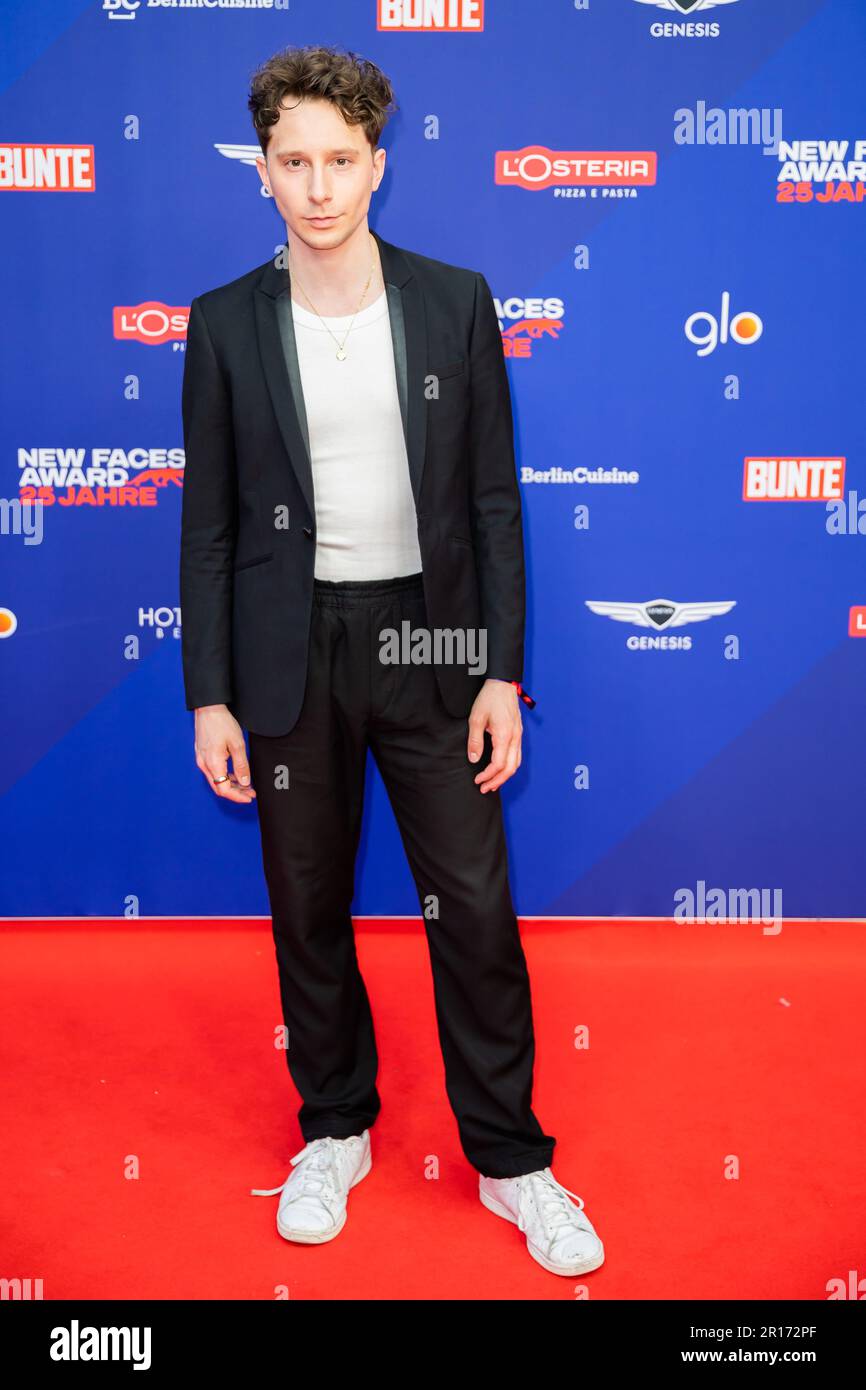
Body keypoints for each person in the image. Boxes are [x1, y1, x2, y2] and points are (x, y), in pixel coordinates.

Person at [179, 43, 604, 1279]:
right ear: (262, 169)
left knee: (470, 905)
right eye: (293, 162)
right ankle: (333, 1129)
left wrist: (495, 672)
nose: (318, 187)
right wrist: (209, 691)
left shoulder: (451, 300)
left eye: (340, 161)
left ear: (378, 163)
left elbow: (491, 503)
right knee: (305, 910)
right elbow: (207, 522)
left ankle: (513, 1159)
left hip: (431, 636)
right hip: (286, 649)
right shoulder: (220, 324)